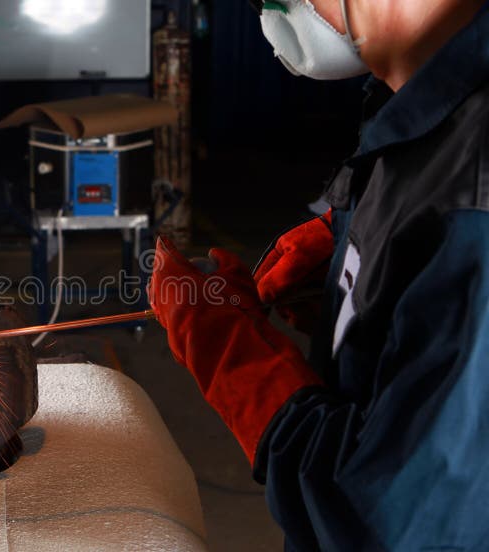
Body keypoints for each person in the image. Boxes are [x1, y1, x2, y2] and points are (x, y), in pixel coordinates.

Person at [148, 1, 489, 550]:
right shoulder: (424, 105)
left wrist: (239, 364)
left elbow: (384, 519)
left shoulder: (475, 203)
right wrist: (356, 251)